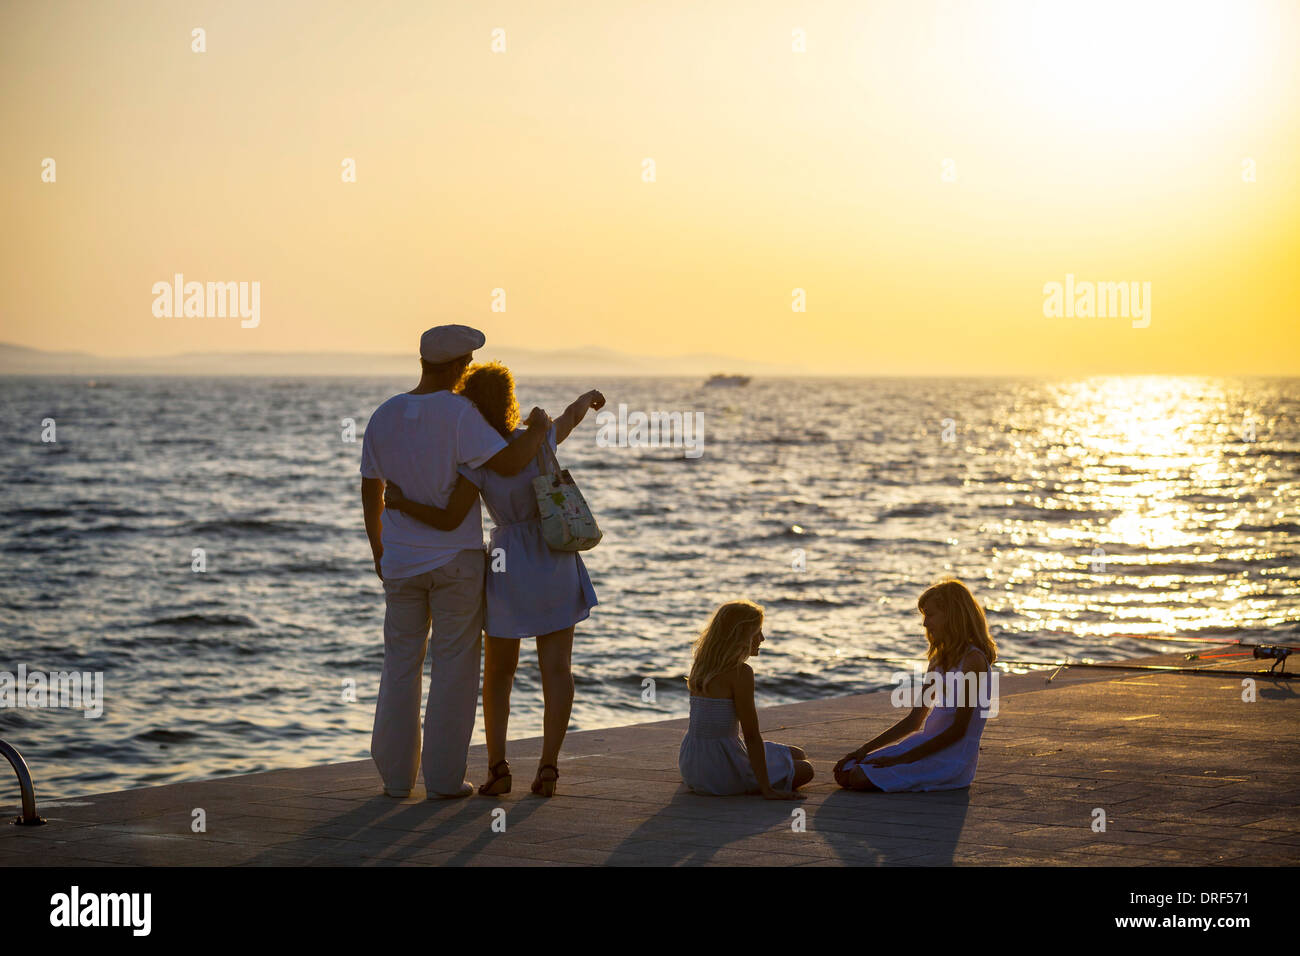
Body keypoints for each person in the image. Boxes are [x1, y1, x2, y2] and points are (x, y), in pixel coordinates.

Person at [383, 361, 605, 798]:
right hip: (554, 554)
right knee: (557, 670)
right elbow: (570, 418)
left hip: (506, 563)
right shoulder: (537, 440)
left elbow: (449, 519)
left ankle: (498, 768)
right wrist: (588, 399)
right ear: (509, 400)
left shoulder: (476, 459)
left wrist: (402, 503)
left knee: (499, 674)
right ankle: (548, 769)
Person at [359, 326, 551, 800]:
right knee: (454, 670)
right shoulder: (462, 413)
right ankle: (445, 780)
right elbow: (506, 464)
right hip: (456, 563)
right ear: (458, 366)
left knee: (400, 667)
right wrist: (543, 431)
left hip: (401, 561)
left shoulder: (384, 414)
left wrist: (378, 549)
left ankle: (396, 780)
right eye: (466, 365)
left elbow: (371, 487)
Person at [834, 579, 998, 792]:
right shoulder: (938, 659)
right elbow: (914, 720)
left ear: (952, 616)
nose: (925, 623)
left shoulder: (973, 661)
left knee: (859, 777)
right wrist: (863, 750)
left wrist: (902, 759)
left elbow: (958, 730)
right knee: (846, 771)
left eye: (930, 614)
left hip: (952, 755)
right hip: (925, 744)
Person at [676, 600, 814, 798]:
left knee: (797, 754)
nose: (763, 639)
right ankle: (749, 782)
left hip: (694, 766)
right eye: (757, 632)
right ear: (741, 636)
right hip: (722, 770)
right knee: (806, 770)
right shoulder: (740, 673)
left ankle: (731, 776)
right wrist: (767, 789)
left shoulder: (702, 665)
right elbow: (751, 735)